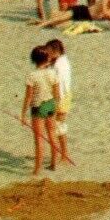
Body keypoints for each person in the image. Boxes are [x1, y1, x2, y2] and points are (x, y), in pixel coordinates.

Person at [21, 46, 60, 175]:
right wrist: (56, 106)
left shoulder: (32, 76)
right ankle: (54, 164)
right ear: (47, 59)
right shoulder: (53, 73)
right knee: (52, 134)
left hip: (38, 107)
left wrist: (23, 114)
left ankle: (37, 169)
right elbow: (57, 94)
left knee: (39, 139)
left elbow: (28, 97)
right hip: (50, 105)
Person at [43, 39, 77, 167]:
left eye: (48, 52)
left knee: (56, 128)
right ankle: (63, 154)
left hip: (60, 99)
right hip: (65, 97)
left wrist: (56, 103)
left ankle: (59, 157)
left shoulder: (59, 66)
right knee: (60, 128)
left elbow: (60, 85)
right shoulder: (63, 61)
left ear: (54, 51)